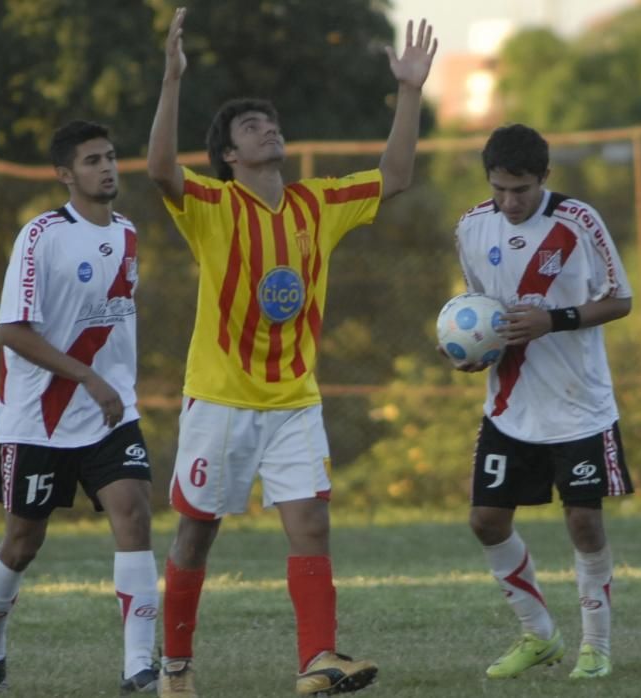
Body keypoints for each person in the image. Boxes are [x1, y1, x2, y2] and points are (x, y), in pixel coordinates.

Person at [144, 8, 436, 696]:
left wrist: (411, 91)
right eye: (251, 127)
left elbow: (394, 176)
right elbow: (160, 169)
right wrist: (171, 79)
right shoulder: (213, 206)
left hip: (295, 400)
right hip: (219, 400)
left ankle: (316, 661)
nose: (268, 129)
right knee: (195, 535)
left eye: (270, 122)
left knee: (311, 523)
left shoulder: (318, 203)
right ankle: (175, 668)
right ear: (228, 156)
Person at [0, 120, 158, 694]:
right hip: (40, 418)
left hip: (109, 413)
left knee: (133, 513)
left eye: (110, 157)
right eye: (92, 161)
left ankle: (139, 668)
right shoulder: (41, 236)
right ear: (64, 174)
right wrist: (87, 377)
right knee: (24, 541)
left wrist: (111, 387)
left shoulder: (127, 233)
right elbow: (11, 332)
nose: (107, 168)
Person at [445, 124, 634, 681]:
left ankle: (595, 647)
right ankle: (539, 635)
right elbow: (481, 311)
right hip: (509, 407)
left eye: (520, 190)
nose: (508, 201)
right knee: (485, 521)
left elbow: (620, 301)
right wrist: (471, 351)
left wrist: (555, 320)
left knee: (583, 522)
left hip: (579, 407)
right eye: (499, 188)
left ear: (544, 178)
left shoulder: (579, 222)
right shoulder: (472, 227)